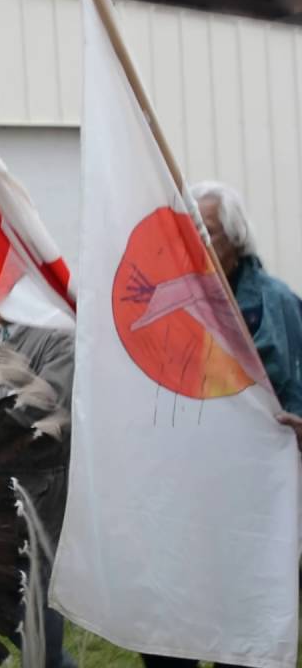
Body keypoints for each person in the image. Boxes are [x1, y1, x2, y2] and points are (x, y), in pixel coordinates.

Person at [139, 181, 302, 668]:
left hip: (252, 500)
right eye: (190, 232)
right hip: (185, 492)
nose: (198, 242)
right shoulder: (174, 304)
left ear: (236, 238)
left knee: (242, 624)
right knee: (171, 619)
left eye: (207, 231)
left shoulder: (277, 303)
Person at [0, 286, 76, 668]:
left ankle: (49, 661)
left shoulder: (59, 336)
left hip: (38, 488)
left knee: (35, 599)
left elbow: (41, 410)